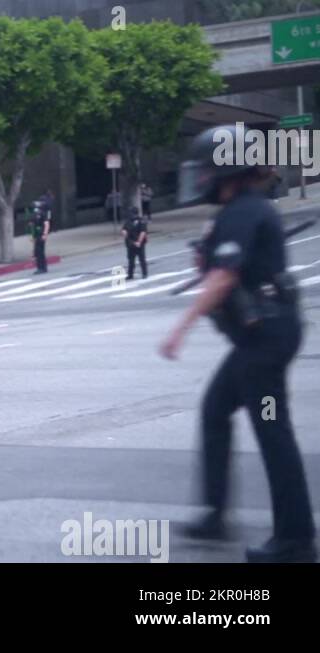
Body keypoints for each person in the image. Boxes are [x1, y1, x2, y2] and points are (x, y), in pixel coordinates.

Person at [160, 124, 316, 563]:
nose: (202, 178)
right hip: (261, 333)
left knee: (273, 431)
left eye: (207, 169)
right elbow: (225, 266)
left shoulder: (245, 210)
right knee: (216, 410)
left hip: (265, 337)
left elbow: (224, 278)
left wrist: (180, 328)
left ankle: (295, 538)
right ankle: (214, 514)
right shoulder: (240, 211)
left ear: (228, 169)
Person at [121, 207, 148, 280]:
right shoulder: (128, 221)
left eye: (131, 213)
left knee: (142, 259)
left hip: (139, 244)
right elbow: (124, 229)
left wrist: (139, 242)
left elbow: (143, 232)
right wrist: (124, 232)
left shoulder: (141, 221)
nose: (130, 215)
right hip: (130, 243)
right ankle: (130, 274)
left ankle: (144, 273)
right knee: (131, 260)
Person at [30, 201, 50, 274]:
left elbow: (46, 224)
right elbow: (32, 226)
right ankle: (41, 267)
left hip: (41, 234)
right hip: (37, 235)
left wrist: (45, 234)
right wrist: (32, 236)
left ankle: (42, 268)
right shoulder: (34, 215)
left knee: (40, 252)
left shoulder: (42, 214)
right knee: (37, 252)